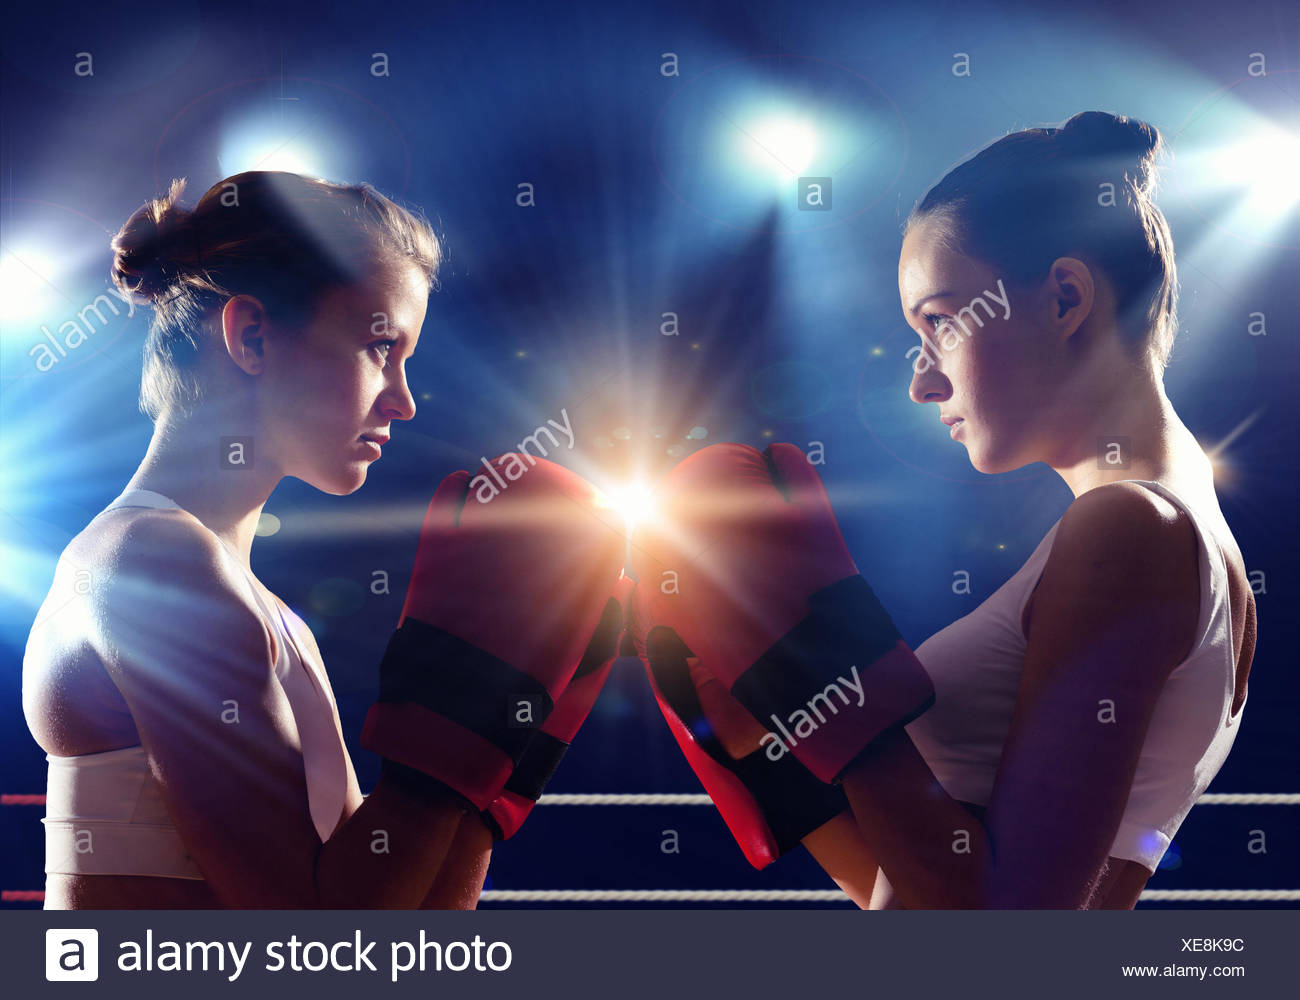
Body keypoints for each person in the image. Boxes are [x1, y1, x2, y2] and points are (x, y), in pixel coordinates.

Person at [628, 111, 1257, 909]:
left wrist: (832, 687)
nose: (923, 382)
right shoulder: (1193, 543)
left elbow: (1009, 939)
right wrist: (775, 751)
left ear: (1065, 297)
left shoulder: (1132, 530)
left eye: (938, 322)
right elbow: (928, 897)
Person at [22, 171, 626, 909]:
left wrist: (503, 760)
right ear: (251, 335)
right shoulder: (153, 561)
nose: (403, 400)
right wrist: (457, 713)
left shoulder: (268, 618)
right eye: (380, 347)